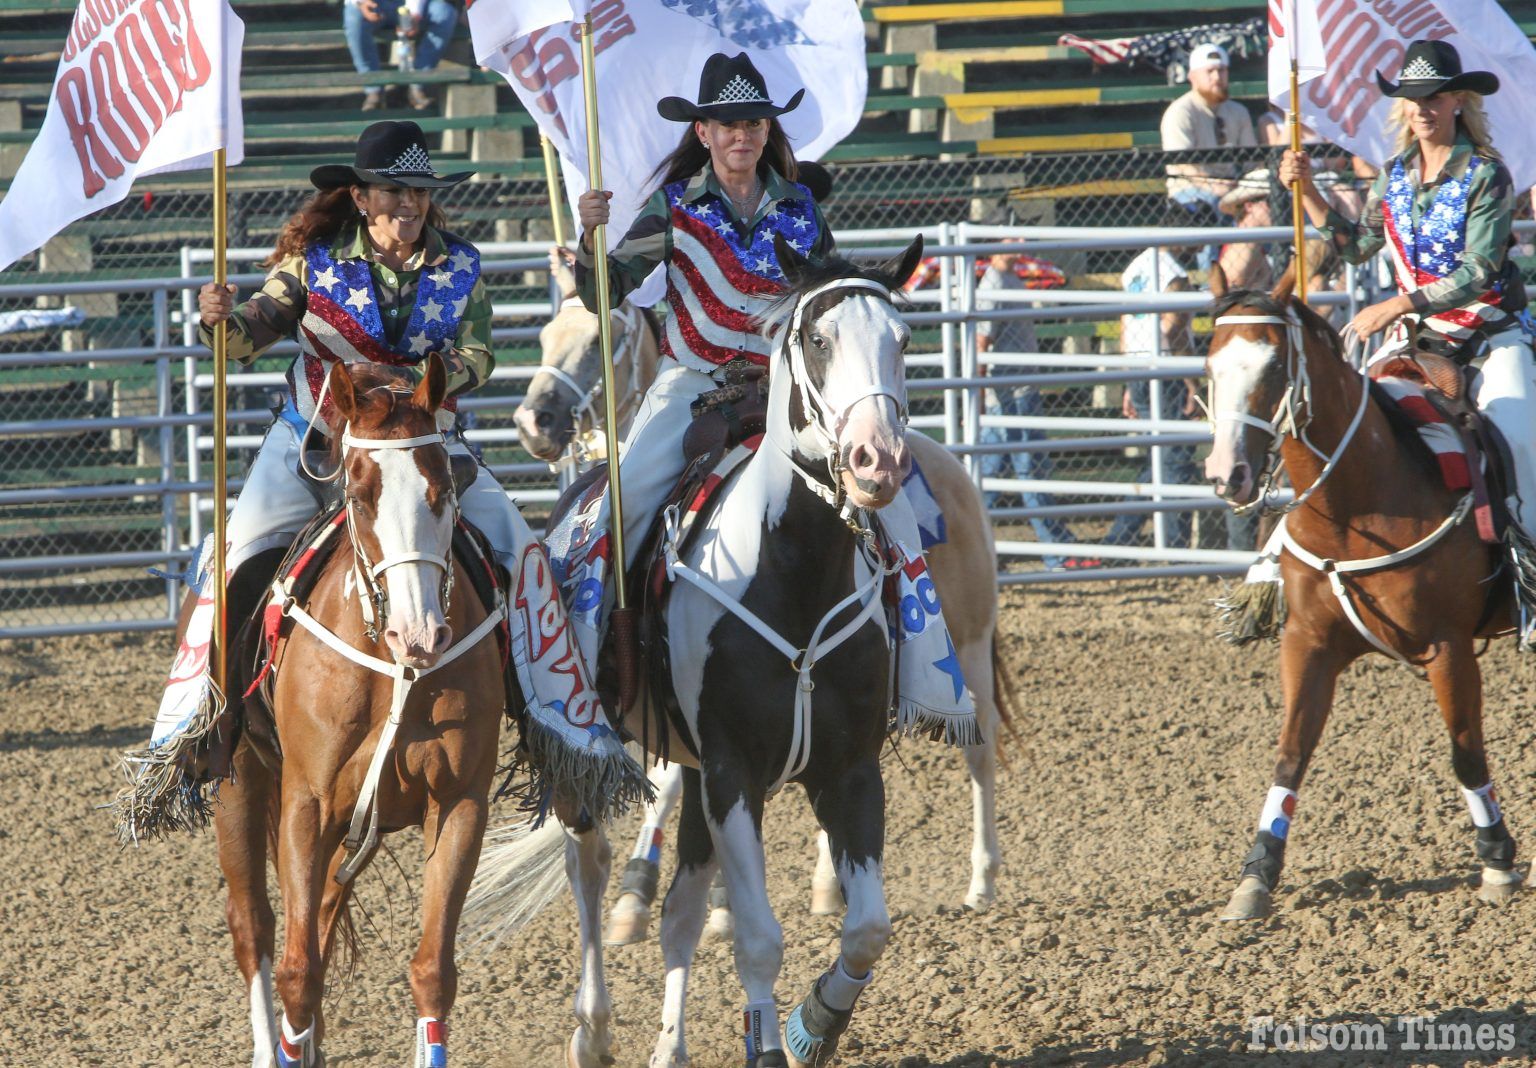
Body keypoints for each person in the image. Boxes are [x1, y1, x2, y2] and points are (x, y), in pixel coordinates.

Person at [127, 121, 629, 828]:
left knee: (523, 555)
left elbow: (480, 354)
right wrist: (219, 323)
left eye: (418, 192)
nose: (408, 204)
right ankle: (203, 726)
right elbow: (248, 335)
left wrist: (419, 380)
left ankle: (557, 737)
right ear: (361, 198)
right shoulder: (311, 264)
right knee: (237, 551)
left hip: (424, 446)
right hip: (316, 442)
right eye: (393, 191)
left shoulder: (461, 265)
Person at [569, 52, 974, 740]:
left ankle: (919, 671)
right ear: (702, 133)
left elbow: (831, 303)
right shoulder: (672, 208)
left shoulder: (800, 208)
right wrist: (589, 237)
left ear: (766, 132)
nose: (741, 135)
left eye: (753, 123)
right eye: (727, 124)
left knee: (897, 508)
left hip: (790, 392)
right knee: (622, 502)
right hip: (694, 386)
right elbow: (599, 294)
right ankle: (586, 670)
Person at [1281, 41, 1536, 634]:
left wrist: (1396, 303)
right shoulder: (1394, 175)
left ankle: (1528, 577)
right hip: (1415, 340)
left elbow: (1478, 270)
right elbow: (1354, 246)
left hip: (1488, 335)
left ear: (1459, 101)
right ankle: (1283, 563)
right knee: (1343, 427)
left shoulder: (1486, 174)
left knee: (1522, 438)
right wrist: (1310, 192)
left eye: (1436, 96)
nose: (1423, 107)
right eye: (1413, 98)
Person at [974, 247, 1096, 569]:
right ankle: (1057, 551)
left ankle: (971, 546)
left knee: (993, 478)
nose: (1020, 240)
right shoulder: (994, 284)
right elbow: (981, 343)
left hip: (1012, 392)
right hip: (1010, 395)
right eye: (1010, 235)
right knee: (1029, 473)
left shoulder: (1008, 278)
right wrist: (979, 395)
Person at [1105, 214, 1202, 549]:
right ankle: (1174, 545)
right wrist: (1193, 383)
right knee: (1175, 457)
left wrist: (1128, 378)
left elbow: (1126, 323)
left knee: (1160, 458)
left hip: (1139, 365)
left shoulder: (1136, 267)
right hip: (1165, 369)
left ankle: (1122, 536)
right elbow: (1172, 329)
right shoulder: (1173, 274)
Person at [1160, 43, 1257, 217]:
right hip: (1190, 190)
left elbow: (1252, 162)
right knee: (1208, 205)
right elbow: (1183, 164)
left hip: (1233, 187)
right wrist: (1212, 185)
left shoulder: (1239, 111)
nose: (1217, 77)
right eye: (1209, 71)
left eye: (1222, 70)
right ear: (1192, 76)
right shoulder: (1181, 111)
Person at [344, 0, 459, 111]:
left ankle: (418, 83)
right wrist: (361, 2)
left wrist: (414, 14)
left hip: (410, 4)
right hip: (375, 5)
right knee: (353, 15)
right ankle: (373, 88)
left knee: (445, 13)